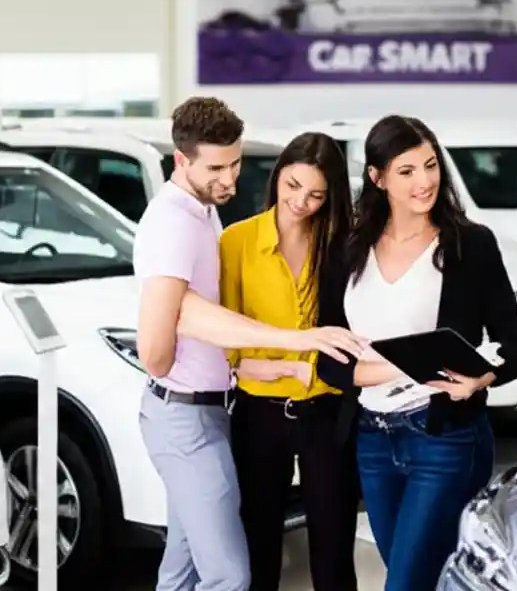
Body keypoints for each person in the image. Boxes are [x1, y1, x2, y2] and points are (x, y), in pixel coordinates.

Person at [134, 97, 368, 591]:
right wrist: (289, 347)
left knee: (184, 565)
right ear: (182, 159)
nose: (230, 178)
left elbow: (196, 314)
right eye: (217, 166)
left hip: (218, 411)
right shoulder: (179, 223)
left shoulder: (203, 215)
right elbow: (157, 349)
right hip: (191, 416)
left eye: (235, 163)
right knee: (230, 574)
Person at [315, 114, 517, 591]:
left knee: (405, 585)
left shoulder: (469, 244)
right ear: (377, 178)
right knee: (420, 577)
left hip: (442, 438)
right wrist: (393, 364)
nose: (424, 181)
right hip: (372, 439)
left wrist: (481, 379)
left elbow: (516, 347)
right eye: (407, 171)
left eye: (430, 165)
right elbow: (329, 362)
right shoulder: (348, 249)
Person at [218, 132, 359, 591]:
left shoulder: (340, 245)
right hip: (259, 414)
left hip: (326, 411)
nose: (301, 201)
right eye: (293, 185)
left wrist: (305, 370)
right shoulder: (236, 241)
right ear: (278, 176)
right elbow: (229, 342)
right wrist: (281, 367)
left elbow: (349, 331)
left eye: (317, 194)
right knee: (258, 545)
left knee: (333, 547)